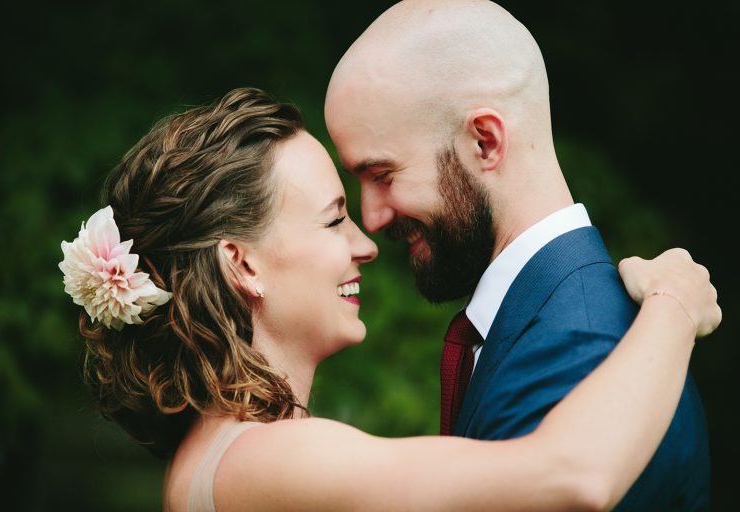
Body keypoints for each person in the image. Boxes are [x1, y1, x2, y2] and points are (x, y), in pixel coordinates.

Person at [59, 88, 720, 511]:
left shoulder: (216, 457)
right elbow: (574, 476)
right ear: (243, 265)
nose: (367, 243)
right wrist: (674, 304)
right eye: (332, 219)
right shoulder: (265, 460)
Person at [323, 1, 712, 509]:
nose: (370, 219)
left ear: (485, 142)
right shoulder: (560, 324)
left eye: (383, 175)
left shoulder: (582, 357)